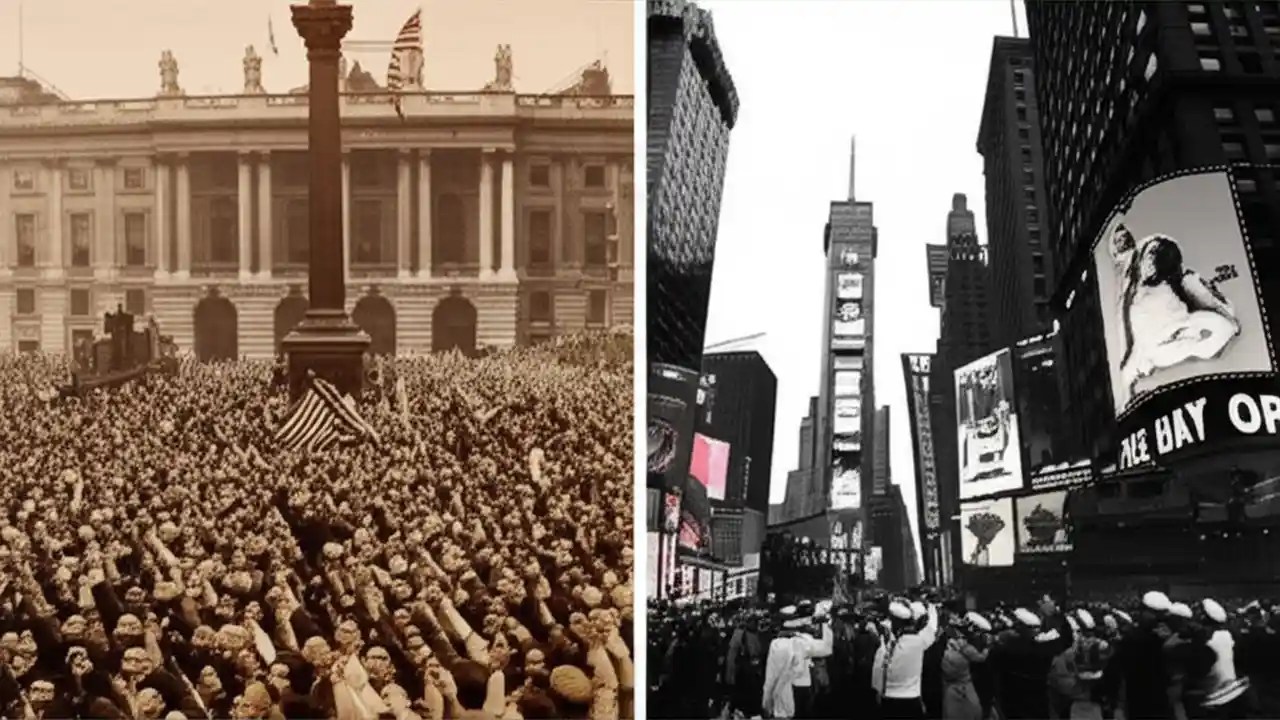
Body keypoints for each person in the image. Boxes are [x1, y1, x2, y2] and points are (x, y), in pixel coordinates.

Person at [873, 597, 939, 719]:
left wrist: (879, 693)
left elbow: (877, 674)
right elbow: (932, 628)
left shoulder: (885, 646)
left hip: (889, 701)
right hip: (912, 701)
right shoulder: (918, 642)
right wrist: (931, 607)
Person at [940, 611, 990, 720]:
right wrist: (987, 647)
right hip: (962, 690)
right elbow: (980, 658)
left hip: (949, 687)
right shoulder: (964, 645)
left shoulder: (951, 636)